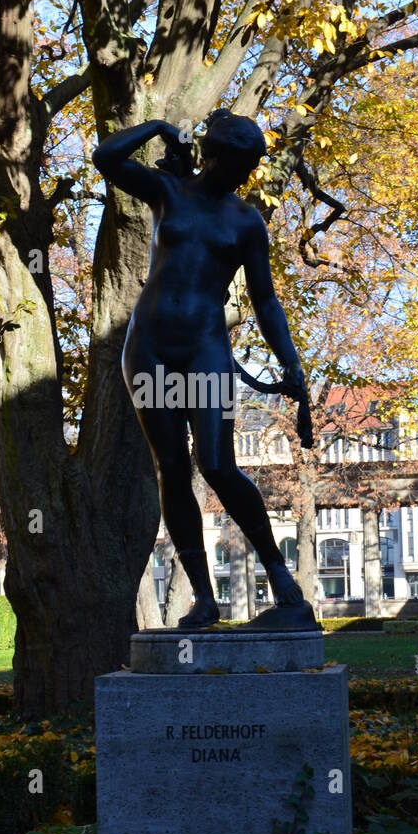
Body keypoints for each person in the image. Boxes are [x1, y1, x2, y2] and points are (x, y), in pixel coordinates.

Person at [93, 110, 313, 629]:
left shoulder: (246, 222)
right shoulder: (169, 191)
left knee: (217, 465)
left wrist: (291, 361)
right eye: (238, 164)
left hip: (205, 348)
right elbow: (106, 157)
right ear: (213, 154)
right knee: (171, 467)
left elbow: (265, 300)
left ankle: (280, 576)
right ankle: (203, 598)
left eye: (250, 168)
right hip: (150, 348)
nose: (243, 175)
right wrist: (157, 126)